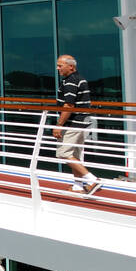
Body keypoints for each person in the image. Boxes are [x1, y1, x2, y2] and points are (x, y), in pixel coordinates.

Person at [53, 54, 102, 195]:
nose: (57, 68)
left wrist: (59, 125)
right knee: (74, 154)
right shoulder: (79, 79)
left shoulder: (71, 81)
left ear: (71, 66)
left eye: (60, 66)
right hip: (82, 122)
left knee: (64, 153)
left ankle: (92, 180)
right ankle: (78, 185)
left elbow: (68, 105)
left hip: (73, 123)